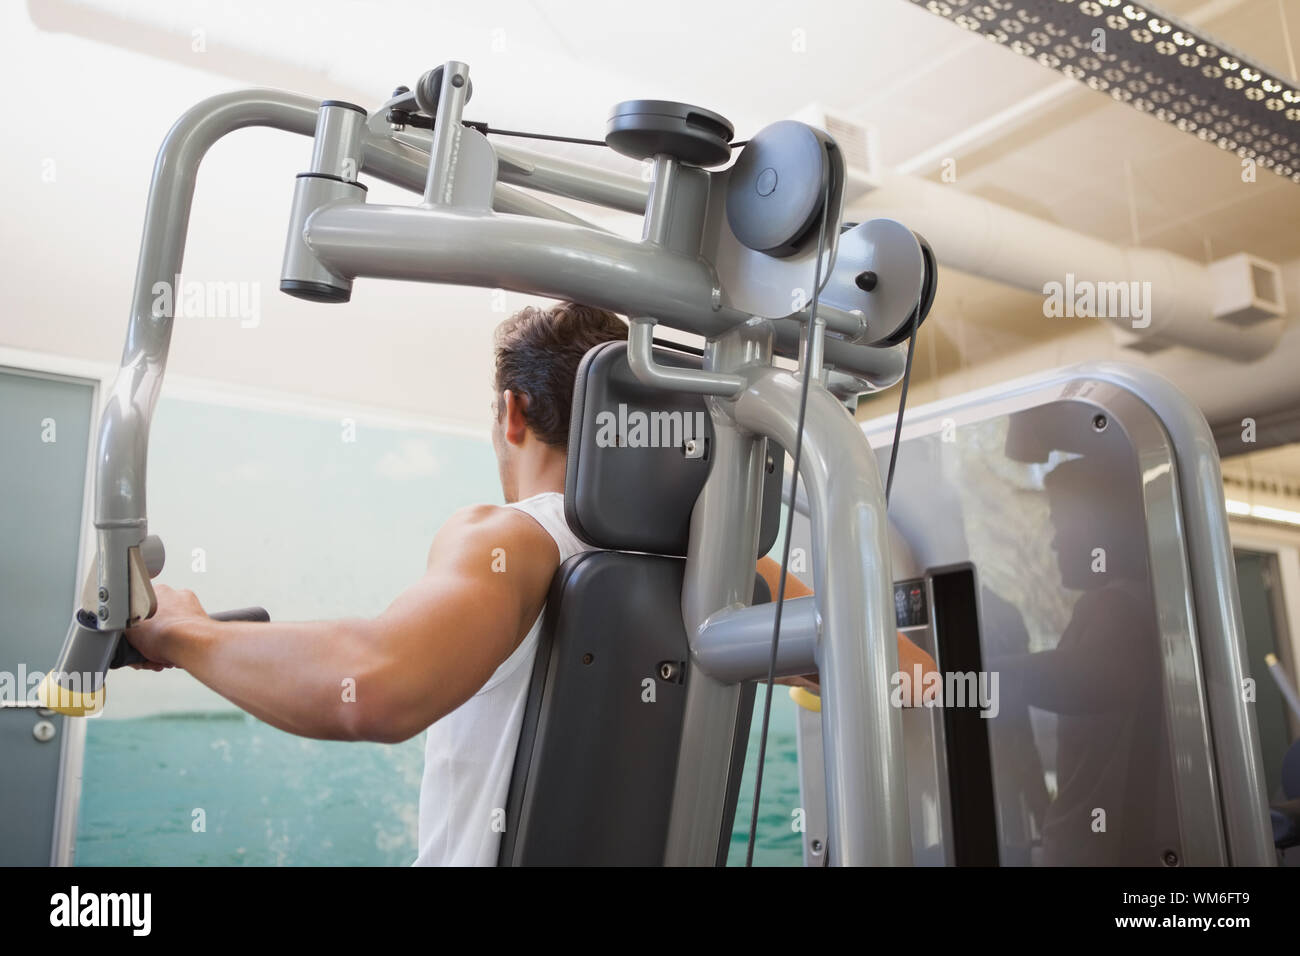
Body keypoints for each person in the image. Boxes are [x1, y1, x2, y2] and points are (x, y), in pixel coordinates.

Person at [124, 301, 936, 865]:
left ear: (512, 412)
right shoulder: (723, 563)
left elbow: (366, 687)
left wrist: (181, 631)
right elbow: (914, 677)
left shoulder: (509, 537)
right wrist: (808, 665)